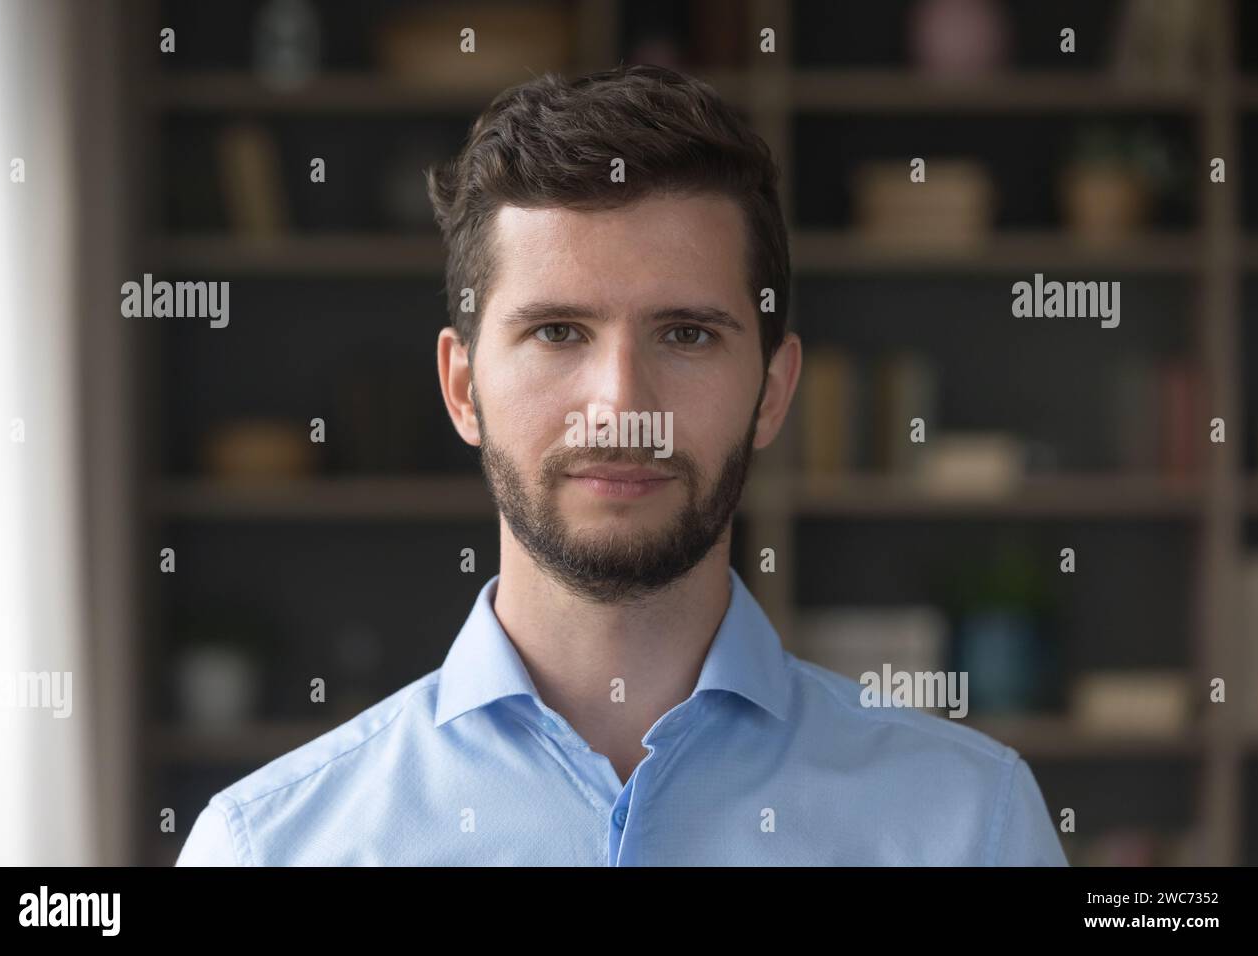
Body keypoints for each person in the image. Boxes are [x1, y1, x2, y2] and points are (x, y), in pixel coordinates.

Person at [177, 63, 1067, 866]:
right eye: (557, 332)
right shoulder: (264, 847)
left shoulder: (970, 824)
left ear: (770, 390)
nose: (621, 407)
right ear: (462, 389)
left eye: (686, 334)